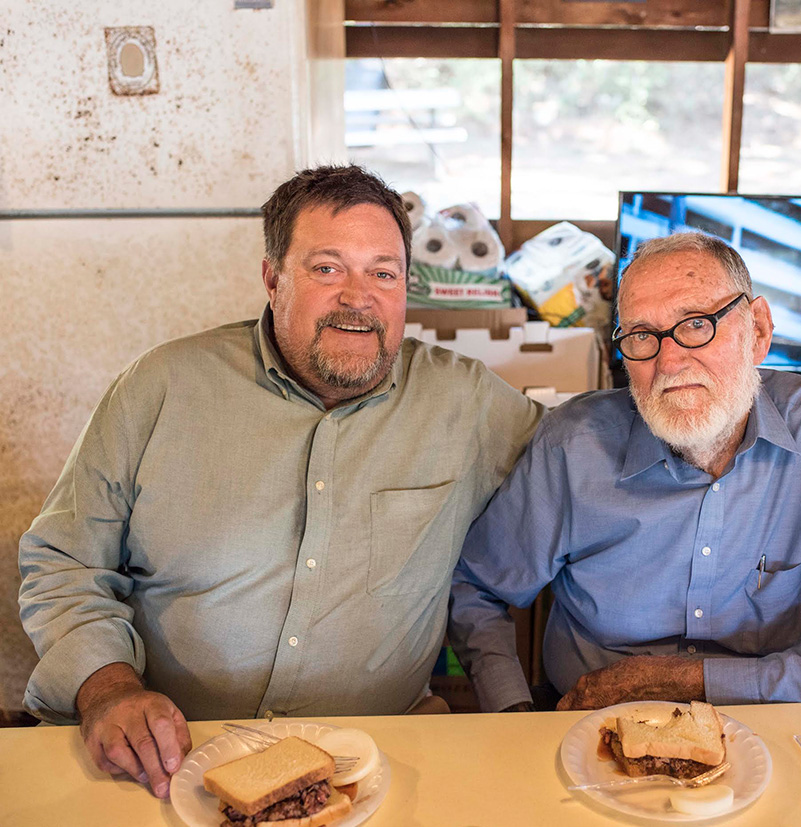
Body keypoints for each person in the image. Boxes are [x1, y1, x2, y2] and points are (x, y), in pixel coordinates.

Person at [18, 165, 541, 798]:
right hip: (174, 753)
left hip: (375, 757)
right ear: (272, 279)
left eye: (384, 272)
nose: (358, 296)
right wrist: (109, 687)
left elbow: (581, 464)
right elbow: (65, 561)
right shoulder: (159, 388)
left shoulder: (468, 404)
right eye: (327, 269)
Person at [448, 231, 801, 714]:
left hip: (764, 722)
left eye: (696, 324)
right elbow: (477, 588)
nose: (669, 361)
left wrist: (673, 680)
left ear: (757, 329)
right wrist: (512, 717)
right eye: (642, 336)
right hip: (589, 724)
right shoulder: (573, 445)